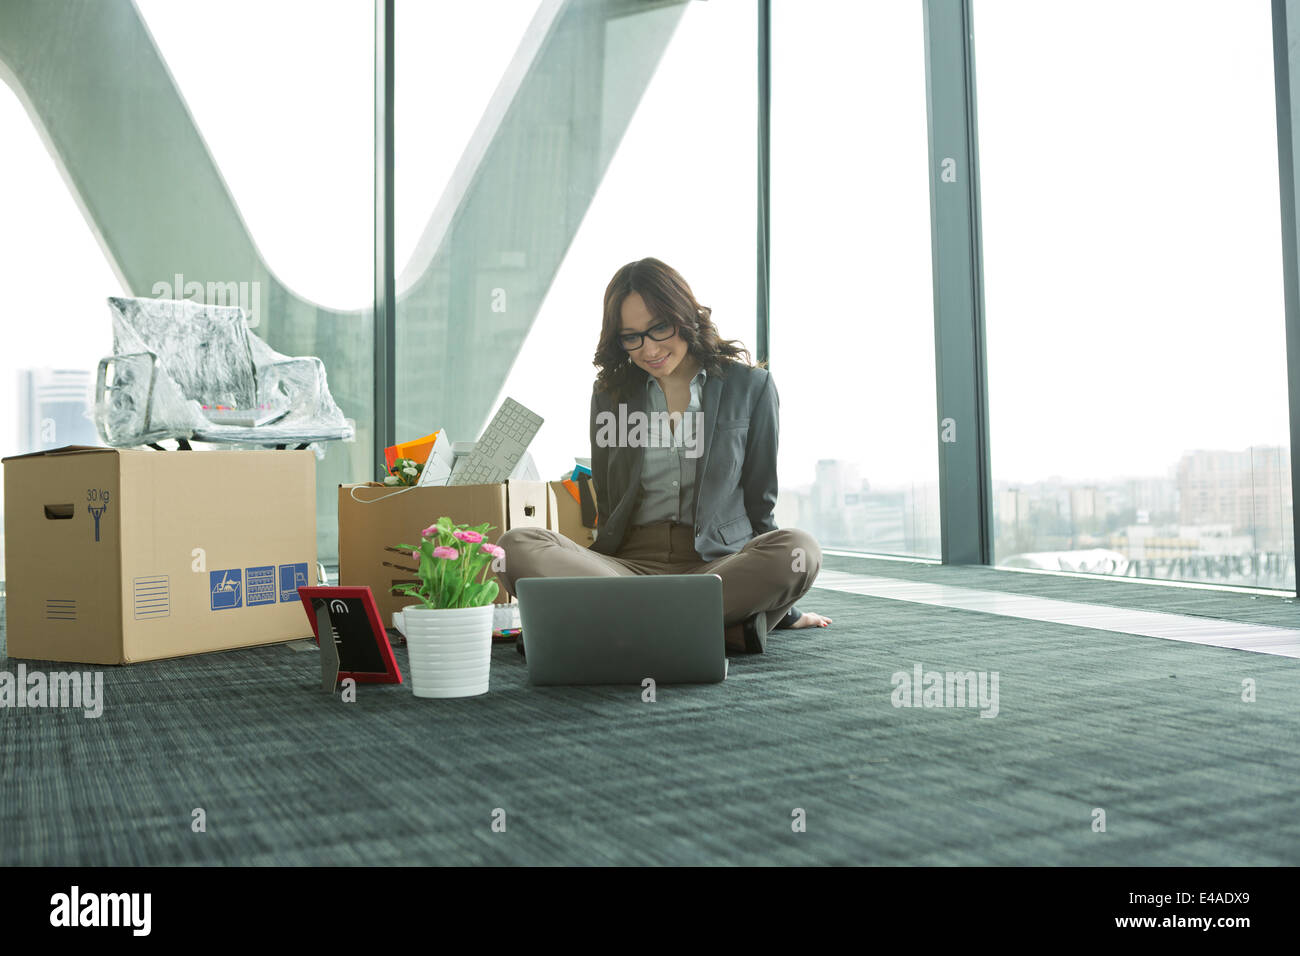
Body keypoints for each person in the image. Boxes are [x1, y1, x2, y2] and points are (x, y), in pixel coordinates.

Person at [496, 257, 831, 653]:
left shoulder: (751, 387)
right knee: (513, 547)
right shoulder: (610, 394)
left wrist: (785, 605)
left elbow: (761, 504)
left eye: (659, 328)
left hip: (717, 566)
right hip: (624, 568)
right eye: (631, 337)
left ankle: (607, 627)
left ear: (684, 315)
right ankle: (713, 630)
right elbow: (606, 498)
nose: (649, 348)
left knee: (798, 551)